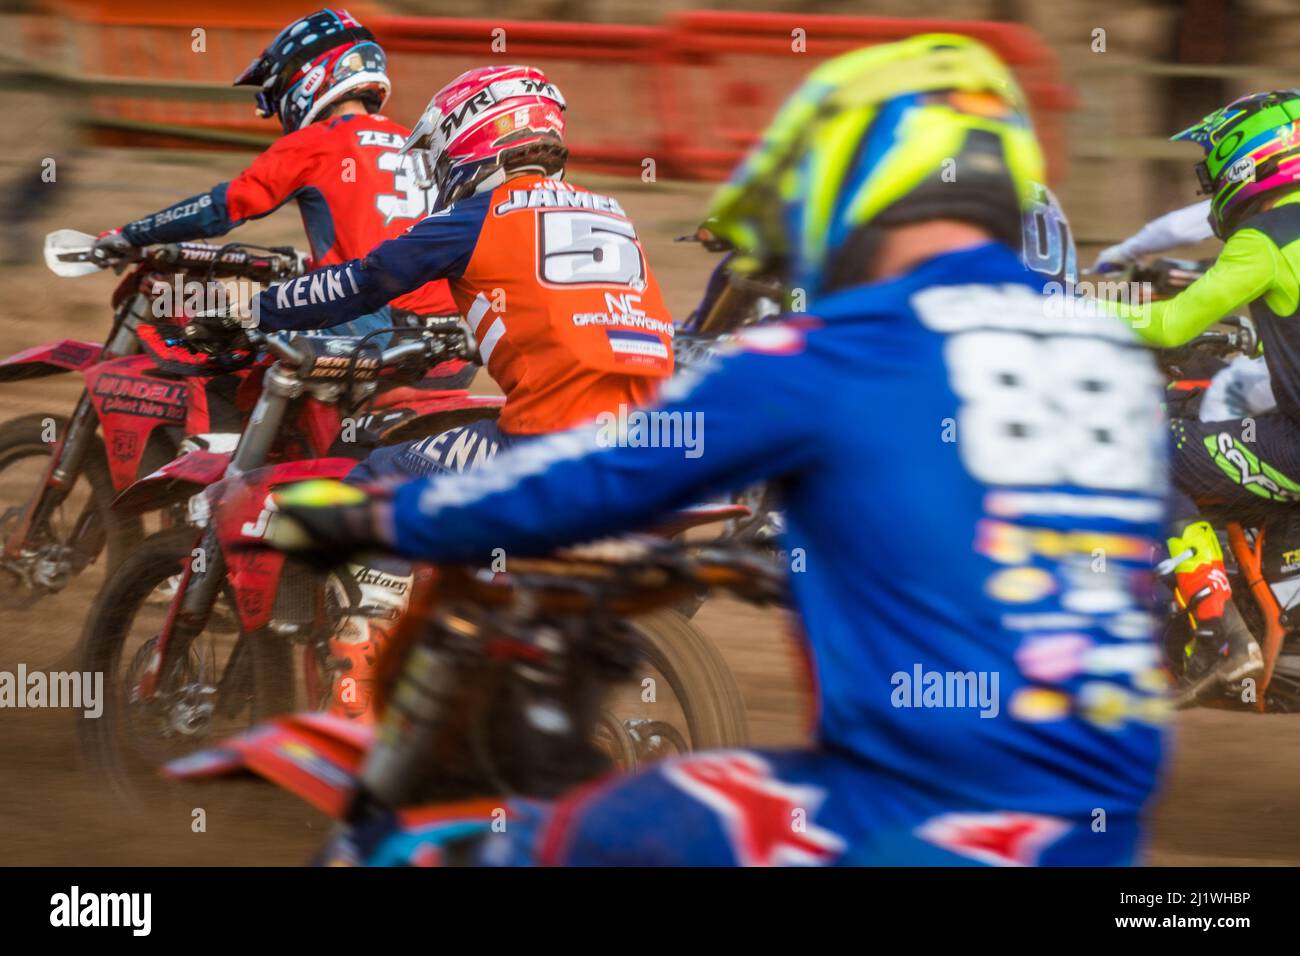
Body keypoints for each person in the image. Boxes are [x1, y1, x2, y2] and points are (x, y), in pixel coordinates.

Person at [268, 34, 1172, 866]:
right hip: (1102, 825)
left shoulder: (834, 351)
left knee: (506, 845)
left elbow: (600, 479)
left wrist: (380, 514)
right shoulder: (1107, 360)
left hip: (907, 818)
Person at [242, 64, 675, 717]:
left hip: (554, 440)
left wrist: (269, 307)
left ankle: (356, 675)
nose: (438, 168)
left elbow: (365, 280)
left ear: (471, 138)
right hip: (655, 446)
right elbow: (563, 311)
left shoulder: (478, 217)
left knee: (380, 471)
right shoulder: (611, 212)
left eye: (440, 149)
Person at [92, 8, 460, 345]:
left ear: (307, 76)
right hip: (448, 339)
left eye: (278, 88)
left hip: (369, 331)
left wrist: (130, 235)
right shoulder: (419, 143)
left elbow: (223, 208)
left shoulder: (320, 140)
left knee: (219, 344)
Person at [1099, 92, 1300, 700]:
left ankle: (1219, 635)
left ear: (1248, 160)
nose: (1207, 181)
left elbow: (1170, 326)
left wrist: (1071, 307)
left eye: (1212, 165)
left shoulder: (1265, 238)